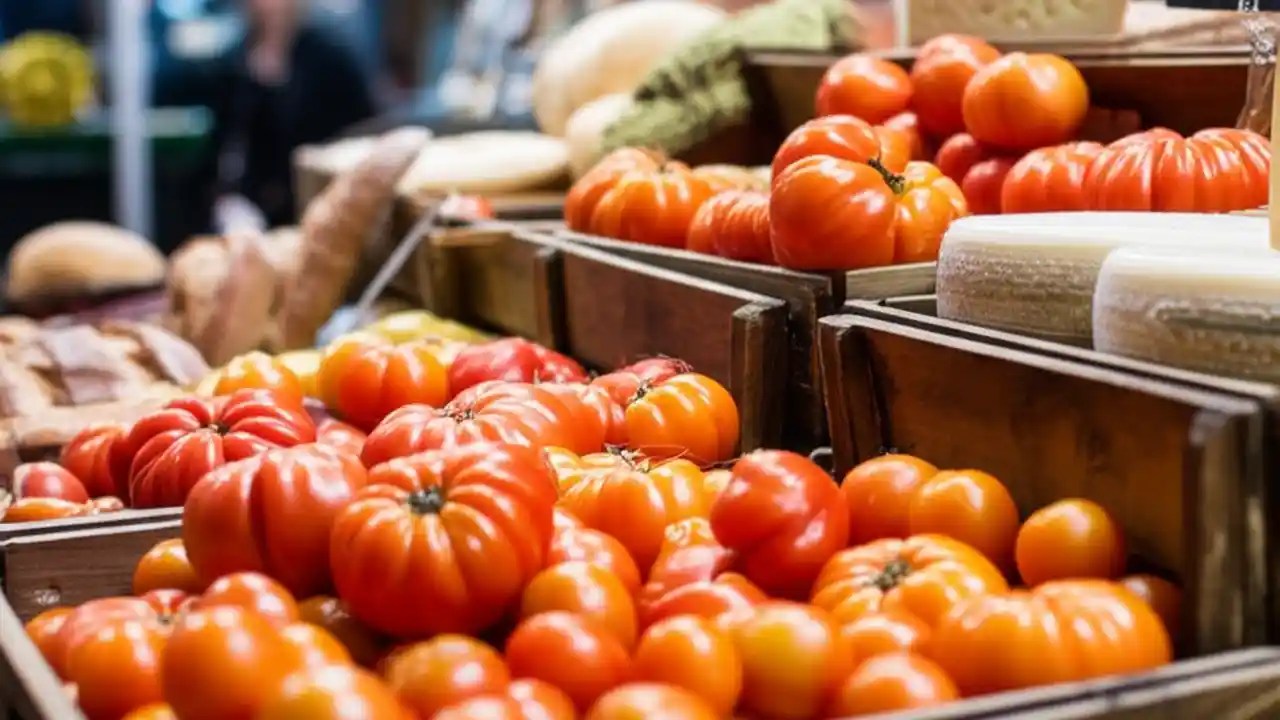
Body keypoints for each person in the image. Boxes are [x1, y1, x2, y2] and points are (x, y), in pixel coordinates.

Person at [209, 0, 376, 231]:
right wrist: (225, 199)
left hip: (318, 203)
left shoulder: (331, 58)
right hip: (252, 213)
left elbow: (362, 134)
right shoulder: (233, 61)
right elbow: (224, 145)